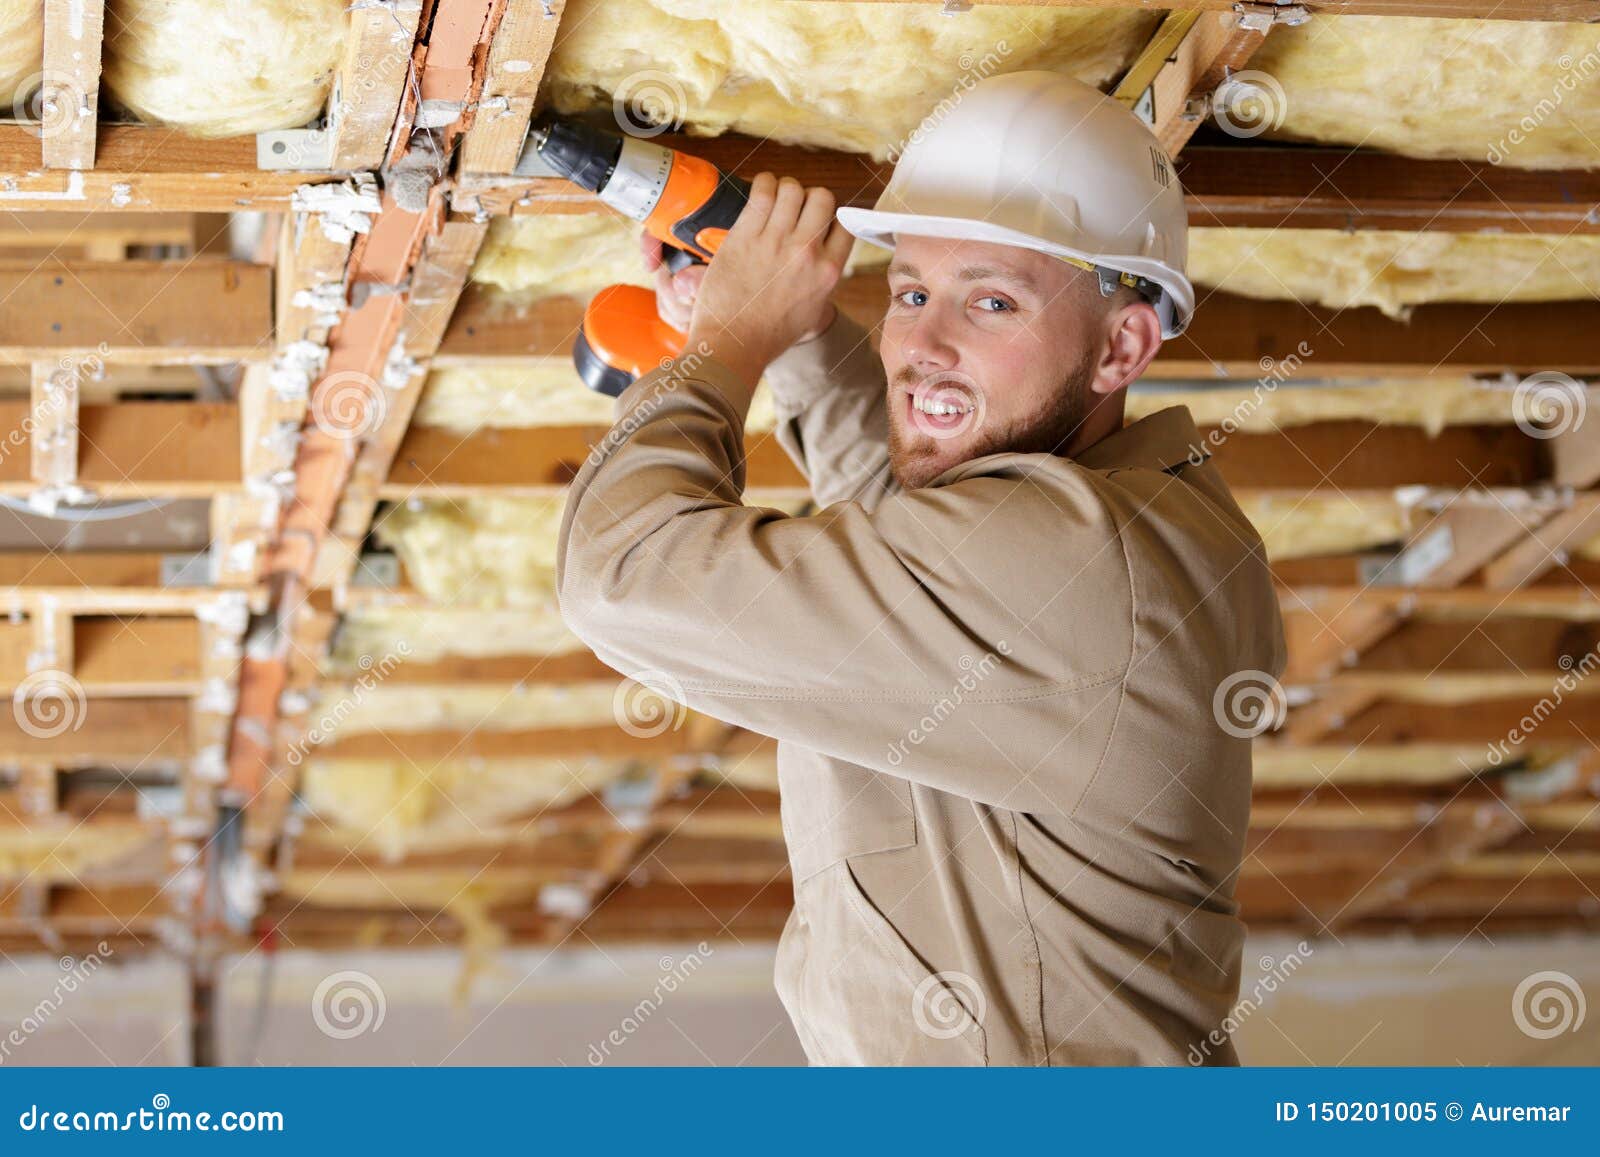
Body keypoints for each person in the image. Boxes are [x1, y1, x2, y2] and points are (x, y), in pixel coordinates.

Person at [557, 70, 1287, 1065]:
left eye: (991, 301)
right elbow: (907, 519)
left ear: (1121, 345)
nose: (923, 346)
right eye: (910, 292)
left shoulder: (1085, 560)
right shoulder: (1113, 522)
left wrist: (728, 345)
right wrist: (796, 331)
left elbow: (625, 574)